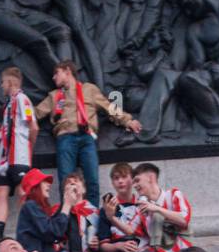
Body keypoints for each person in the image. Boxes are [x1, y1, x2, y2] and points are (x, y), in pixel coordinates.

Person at [34, 60, 141, 207]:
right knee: (66, 182)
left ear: (67, 71)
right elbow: (35, 113)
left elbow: (109, 106)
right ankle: (69, 219)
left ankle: (92, 218)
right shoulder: (54, 96)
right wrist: (18, 111)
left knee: (92, 181)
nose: (53, 77)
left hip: (87, 138)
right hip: (65, 138)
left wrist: (127, 121)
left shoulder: (89, 89)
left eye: (56, 73)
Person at [0, 65, 38, 237]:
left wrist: (29, 149)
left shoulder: (23, 100)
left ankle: (25, 230)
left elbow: (33, 126)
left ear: (10, 82)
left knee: (23, 192)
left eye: (2, 82)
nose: (1, 86)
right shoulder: (6, 105)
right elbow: (0, 130)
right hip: (4, 160)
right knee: (1, 192)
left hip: (19, 156)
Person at [16, 168, 80, 252]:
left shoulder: (33, 208)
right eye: (44, 181)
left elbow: (54, 227)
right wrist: (66, 203)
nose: (49, 185)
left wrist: (67, 203)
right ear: (35, 186)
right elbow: (53, 231)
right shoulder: (30, 206)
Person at [131, 163, 192, 252]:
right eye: (134, 182)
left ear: (151, 178)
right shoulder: (142, 209)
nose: (135, 185)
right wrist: (112, 217)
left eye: (137, 180)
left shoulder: (173, 194)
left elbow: (184, 220)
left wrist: (157, 209)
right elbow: (132, 231)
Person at [97, 162, 140, 252]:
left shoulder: (143, 203)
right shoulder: (107, 208)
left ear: (132, 179)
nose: (120, 181)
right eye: (116, 178)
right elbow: (103, 246)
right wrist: (118, 246)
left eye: (124, 176)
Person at [62, 171, 102, 252]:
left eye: (76, 182)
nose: (73, 184)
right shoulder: (61, 212)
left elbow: (105, 236)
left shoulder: (93, 212)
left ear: (84, 190)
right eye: (69, 183)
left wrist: (98, 243)